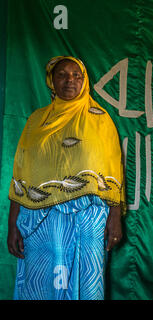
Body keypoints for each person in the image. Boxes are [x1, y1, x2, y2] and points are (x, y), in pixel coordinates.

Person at [7, 56, 126, 300]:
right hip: (40, 219)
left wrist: (115, 218)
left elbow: (114, 172)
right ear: (52, 80)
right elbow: (21, 174)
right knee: (41, 283)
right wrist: (12, 225)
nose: (69, 80)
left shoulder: (100, 119)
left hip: (88, 218)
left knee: (86, 282)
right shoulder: (36, 121)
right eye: (62, 75)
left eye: (76, 75)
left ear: (84, 81)